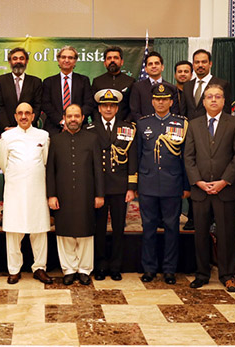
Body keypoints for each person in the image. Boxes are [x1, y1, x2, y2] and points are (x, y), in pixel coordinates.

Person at [183, 84, 235, 292]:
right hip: (200, 190)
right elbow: (188, 157)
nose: (213, 100)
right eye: (209, 97)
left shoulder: (234, 123)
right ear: (203, 102)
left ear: (223, 101)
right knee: (200, 234)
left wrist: (224, 181)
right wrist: (198, 181)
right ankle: (202, 274)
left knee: (226, 235)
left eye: (217, 96)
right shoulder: (194, 124)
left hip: (224, 190)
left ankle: (227, 275)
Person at [135, 84, 190, 284]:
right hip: (147, 183)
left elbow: (186, 157)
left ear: (171, 102)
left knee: (172, 228)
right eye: (157, 99)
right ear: (152, 101)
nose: (160, 102)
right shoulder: (143, 124)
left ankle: (169, 270)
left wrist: (186, 185)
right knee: (148, 229)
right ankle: (149, 269)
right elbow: (138, 155)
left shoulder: (181, 123)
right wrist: (135, 184)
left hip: (172, 183)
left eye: (164, 99)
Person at [47, 104, 104, 285]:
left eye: (76, 116)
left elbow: (98, 169)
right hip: (62, 193)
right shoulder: (55, 140)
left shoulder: (92, 139)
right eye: (70, 116)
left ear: (82, 118)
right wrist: (51, 195)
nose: (73, 119)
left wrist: (99, 194)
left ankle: (84, 269)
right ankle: (69, 269)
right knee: (65, 233)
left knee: (85, 232)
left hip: (86, 192)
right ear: (64, 118)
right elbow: (50, 170)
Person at [0, 102, 53, 285]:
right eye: (20, 113)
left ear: (33, 116)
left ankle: (40, 268)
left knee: (39, 230)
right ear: (15, 116)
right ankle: (14, 270)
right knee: (14, 231)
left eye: (27, 113)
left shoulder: (43, 136)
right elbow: (3, 164)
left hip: (37, 191)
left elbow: (45, 162)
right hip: (15, 191)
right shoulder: (6, 137)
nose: (23, 116)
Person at [86, 89, 137, 281]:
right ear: (99, 108)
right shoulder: (89, 129)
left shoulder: (128, 129)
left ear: (117, 108)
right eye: (104, 105)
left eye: (112, 106)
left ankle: (116, 266)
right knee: (98, 228)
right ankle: (100, 265)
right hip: (98, 187)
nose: (108, 109)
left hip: (120, 187)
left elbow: (132, 158)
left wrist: (131, 187)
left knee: (118, 228)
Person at [42, 45, 93, 135]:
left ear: (75, 61)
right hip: (54, 128)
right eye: (63, 57)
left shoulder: (83, 80)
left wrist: (75, 121)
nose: (66, 60)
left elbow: (88, 104)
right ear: (58, 60)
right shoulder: (48, 82)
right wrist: (62, 122)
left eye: (70, 58)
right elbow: (46, 105)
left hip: (79, 128)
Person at [0, 47, 43, 133]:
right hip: (6, 131)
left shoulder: (35, 82)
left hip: (29, 130)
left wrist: (25, 126)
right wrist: (6, 127)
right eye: (15, 59)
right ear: (10, 61)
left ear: (26, 61)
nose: (18, 61)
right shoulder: (1, 81)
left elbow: (37, 107)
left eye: (21, 58)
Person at [174, 60, 195, 230]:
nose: (182, 74)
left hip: (194, 140)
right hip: (174, 140)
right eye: (179, 71)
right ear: (175, 74)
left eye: (186, 71)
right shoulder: (171, 91)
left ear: (191, 74)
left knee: (192, 178)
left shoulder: (196, 92)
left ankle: (192, 217)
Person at [181, 49, 232, 120]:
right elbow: (183, 112)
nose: (200, 65)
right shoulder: (187, 86)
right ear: (193, 65)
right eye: (197, 62)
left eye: (204, 62)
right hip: (191, 126)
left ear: (210, 64)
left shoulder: (222, 84)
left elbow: (226, 112)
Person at [128, 51, 180, 122]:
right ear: (146, 69)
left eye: (157, 63)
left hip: (167, 127)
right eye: (150, 64)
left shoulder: (171, 88)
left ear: (162, 67)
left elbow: (174, 112)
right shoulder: (137, 87)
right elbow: (135, 111)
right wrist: (145, 125)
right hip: (144, 126)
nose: (154, 66)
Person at [91, 46, 135, 121]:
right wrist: (99, 123)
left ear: (122, 62)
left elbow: (133, 107)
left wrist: (126, 123)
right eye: (109, 58)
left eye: (116, 58)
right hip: (101, 125)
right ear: (104, 63)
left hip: (124, 124)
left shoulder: (130, 81)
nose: (112, 60)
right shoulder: (97, 81)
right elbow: (93, 107)